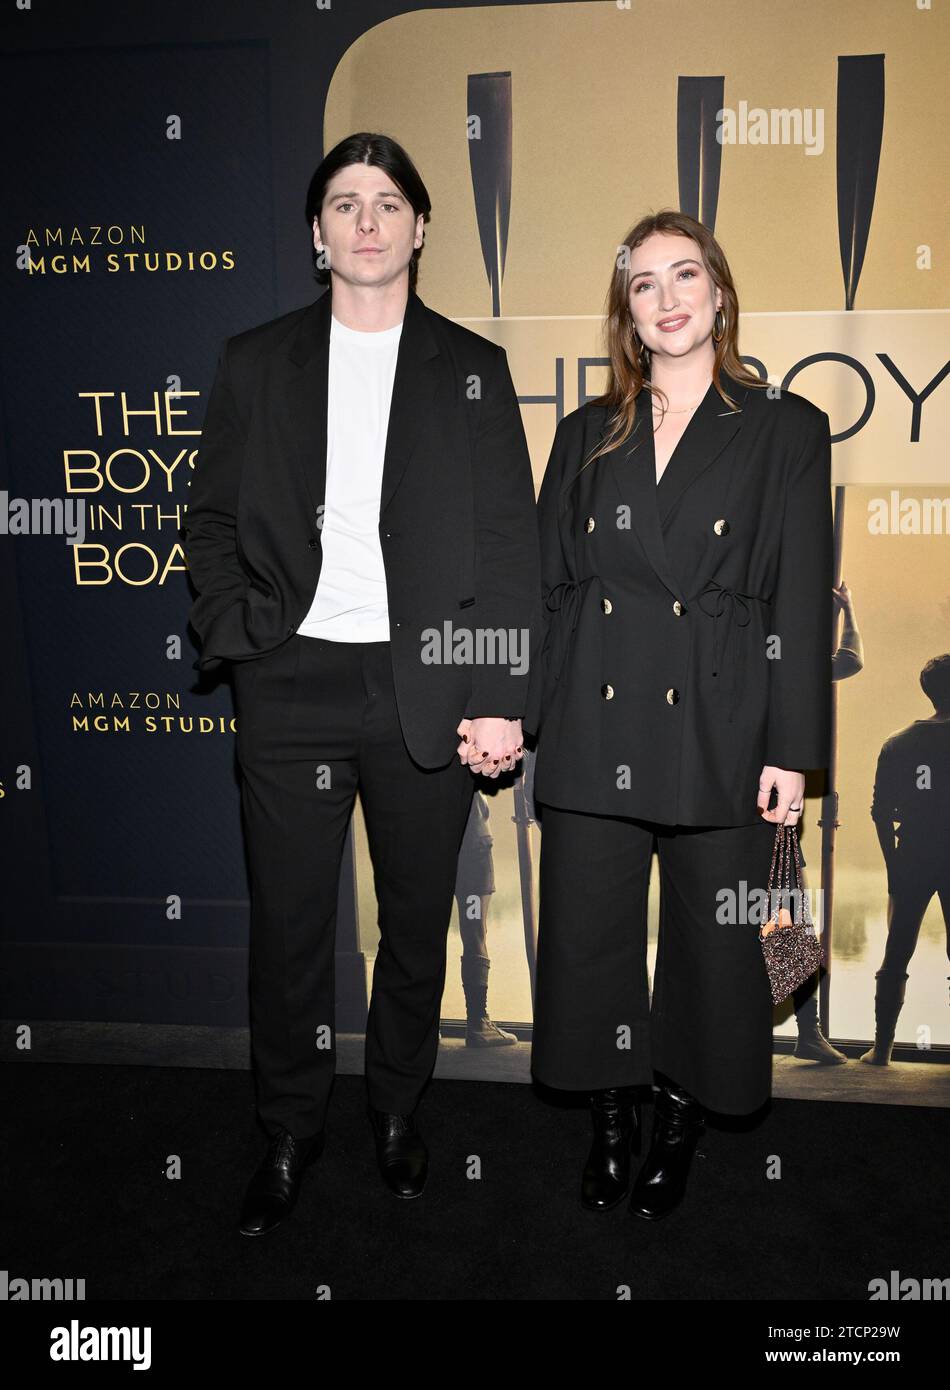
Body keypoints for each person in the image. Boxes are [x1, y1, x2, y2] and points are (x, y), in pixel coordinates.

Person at [181, 132, 540, 1235]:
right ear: (316, 234)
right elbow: (210, 522)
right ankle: (288, 1128)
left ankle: (394, 1108)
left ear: (421, 228)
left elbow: (507, 544)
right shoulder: (256, 360)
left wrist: (498, 694)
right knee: (288, 930)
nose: (368, 220)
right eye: (345, 203)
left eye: (388, 202)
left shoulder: (472, 368)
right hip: (288, 683)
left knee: (415, 922)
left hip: (423, 684)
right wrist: (240, 634)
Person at [522, 209, 833, 1219]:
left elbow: (796, 596)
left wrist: (792, 749)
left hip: (722, 723)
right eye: (643, 283)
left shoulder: (784, 428)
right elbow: (546, 586)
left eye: (683, 275)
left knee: (711, 948)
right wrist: (510, 713)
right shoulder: (582, 431)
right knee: (589, 941)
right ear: (625, 309)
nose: (666, 298)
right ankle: (611, 1118)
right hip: (595, 725)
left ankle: (677, 1121)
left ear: (717, 293)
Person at [865, 654, 950, 1064]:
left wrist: (892, 864)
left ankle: (882, 1050)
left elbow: (881, 811)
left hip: (913, 854)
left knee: (896, 950)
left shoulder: (897, 744)